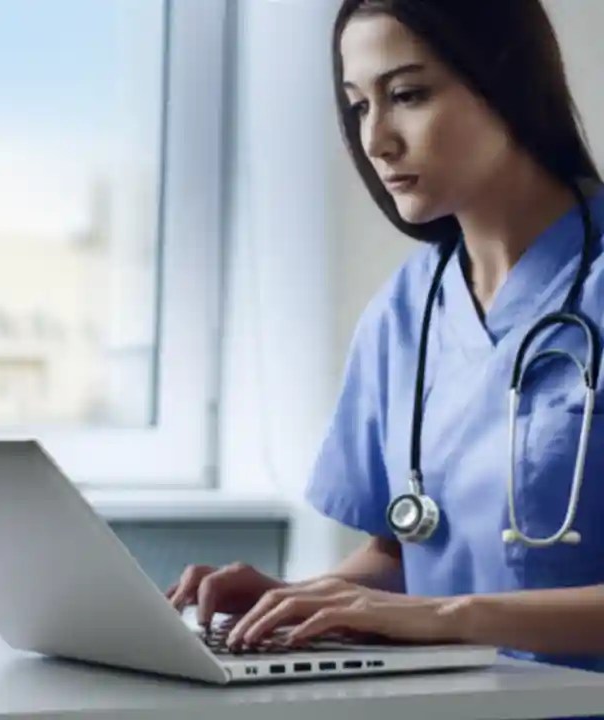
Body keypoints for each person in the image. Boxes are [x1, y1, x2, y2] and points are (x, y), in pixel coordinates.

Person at [166, 0, 604, 674]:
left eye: (405, 95)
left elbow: (433, 602)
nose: (375, 140)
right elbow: (403, 555)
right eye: (359, 106)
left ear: (508, 81)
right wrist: (302, 601)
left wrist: (450, 616)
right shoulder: (405, 311)